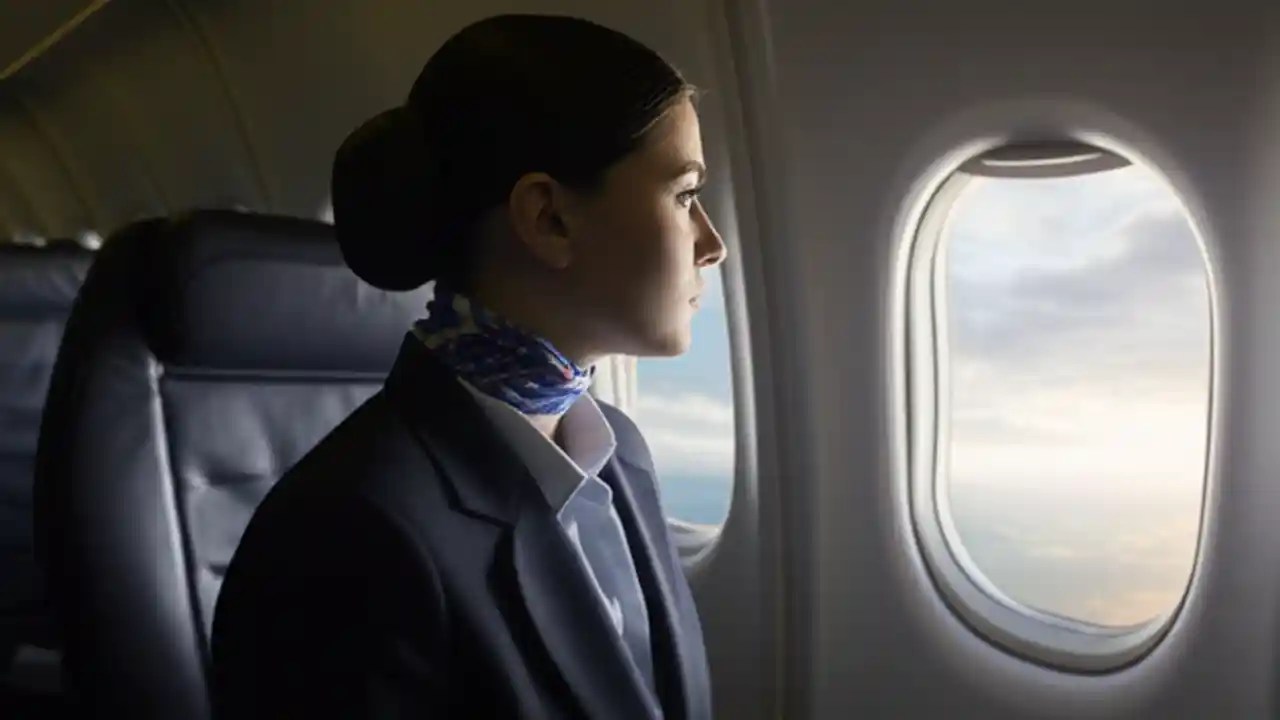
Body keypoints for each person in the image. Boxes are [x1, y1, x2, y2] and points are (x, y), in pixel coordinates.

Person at [210, 13, 727, 720]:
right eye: (685, 195)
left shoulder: (619, 454)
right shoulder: (345, 537)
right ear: (549, 219)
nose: (714, 244)